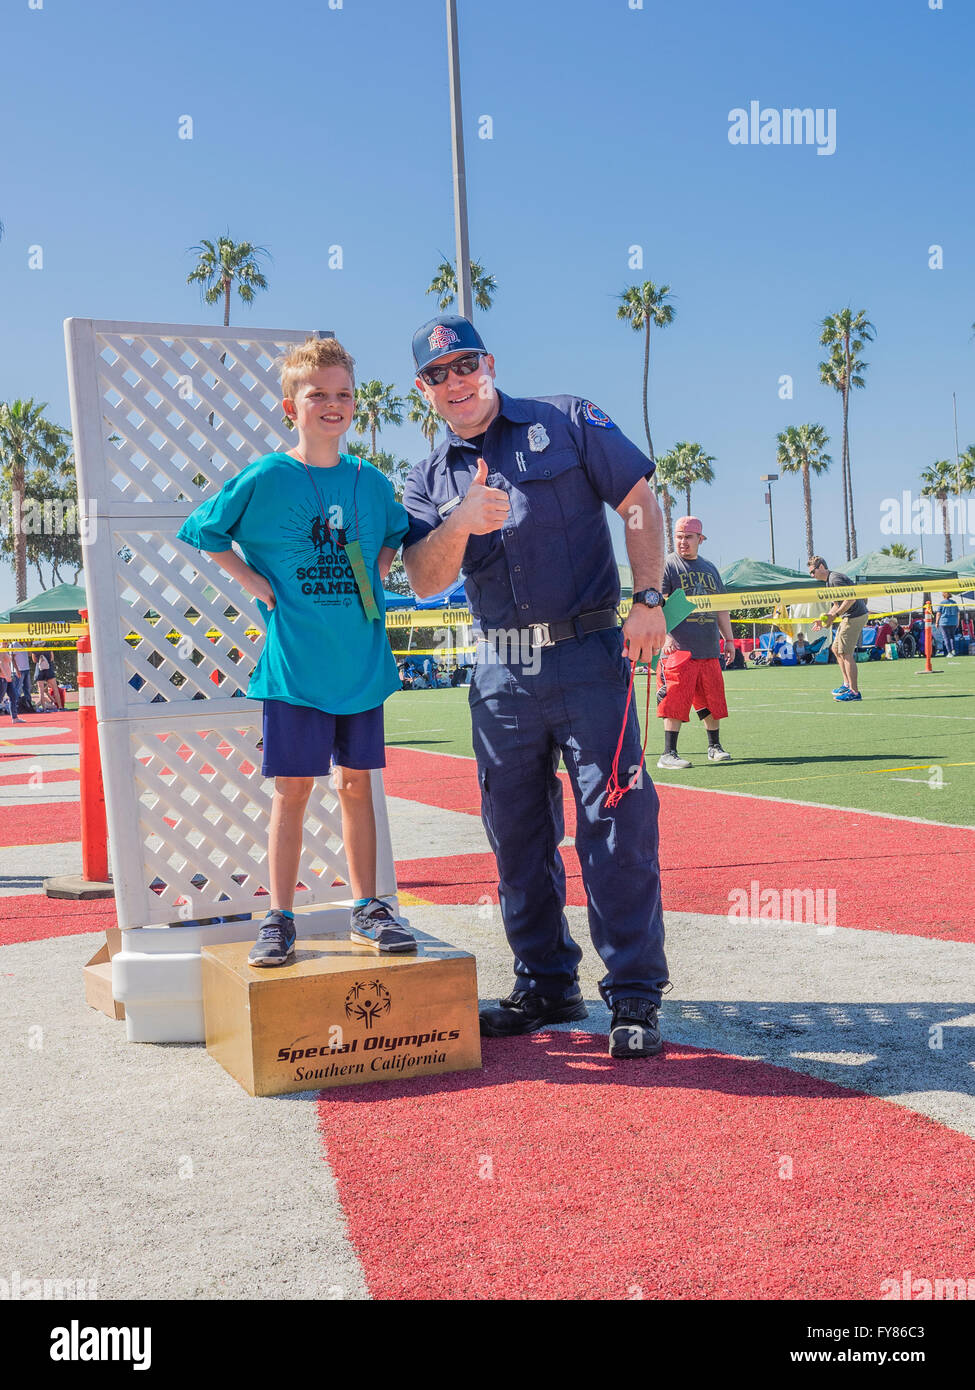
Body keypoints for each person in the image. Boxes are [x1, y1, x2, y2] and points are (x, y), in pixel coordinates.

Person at [402, 313, 670, 1059]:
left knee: (614, 826)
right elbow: (424, 579)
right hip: (500, 667)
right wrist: (461, 521)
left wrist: (649, 599)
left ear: (487, 363)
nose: (453, 382)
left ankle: (635, 998)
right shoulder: (428, 476)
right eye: (436, 374)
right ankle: (546, 983)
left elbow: (641, 501)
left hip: (588, 655)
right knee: (515, 837)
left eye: (462, 365)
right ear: (422, 389)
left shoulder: (567, 419)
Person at [177, 336, 413, 964]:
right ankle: (277, 917)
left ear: (354, 403)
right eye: (317, 395)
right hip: (294, 669)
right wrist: (252, 581)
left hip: (360, 666)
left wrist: (380, 569)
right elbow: (203, 529)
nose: (331, 404)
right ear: (292, 406)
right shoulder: (268, 476)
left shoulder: (370, 481)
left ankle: (370, 907)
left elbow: (394, 532)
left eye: (342, 394)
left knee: (358, 786)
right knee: (293, 792)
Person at [656, 516, 735, 768]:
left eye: (688, 537)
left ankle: (714, 746)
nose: (683, 542)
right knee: (674, 700)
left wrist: (729, 641)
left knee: (711, 699)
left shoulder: (710, 568)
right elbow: (657, 604)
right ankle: (668, 753)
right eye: (679, 536)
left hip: (708, 647)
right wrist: (665, 635)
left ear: (700, 539)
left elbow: (722, 608)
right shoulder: (668, 566)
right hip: (678, 649)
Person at [808, 556, 869, 700]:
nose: (812, 575)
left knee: (846, 653)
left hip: (855, 616)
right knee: (835, 649)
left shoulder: (835, 579)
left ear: (821, 567)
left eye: (812, 571)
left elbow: (850, 599)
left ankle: (854, 692)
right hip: (849, 616)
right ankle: (847, 684)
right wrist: (824, 619)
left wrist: (834, 615)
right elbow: (836, 604)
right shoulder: (830, 581)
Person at [0, 647, 24, 723]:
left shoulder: (6, 649)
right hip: (3, 677)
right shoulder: (1, 650)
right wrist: (5, 675)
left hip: (8, 678)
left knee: (13, 696)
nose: (5, 643)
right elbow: (0, 663)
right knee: (0, 697)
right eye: (3, 642)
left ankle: (15, 717)